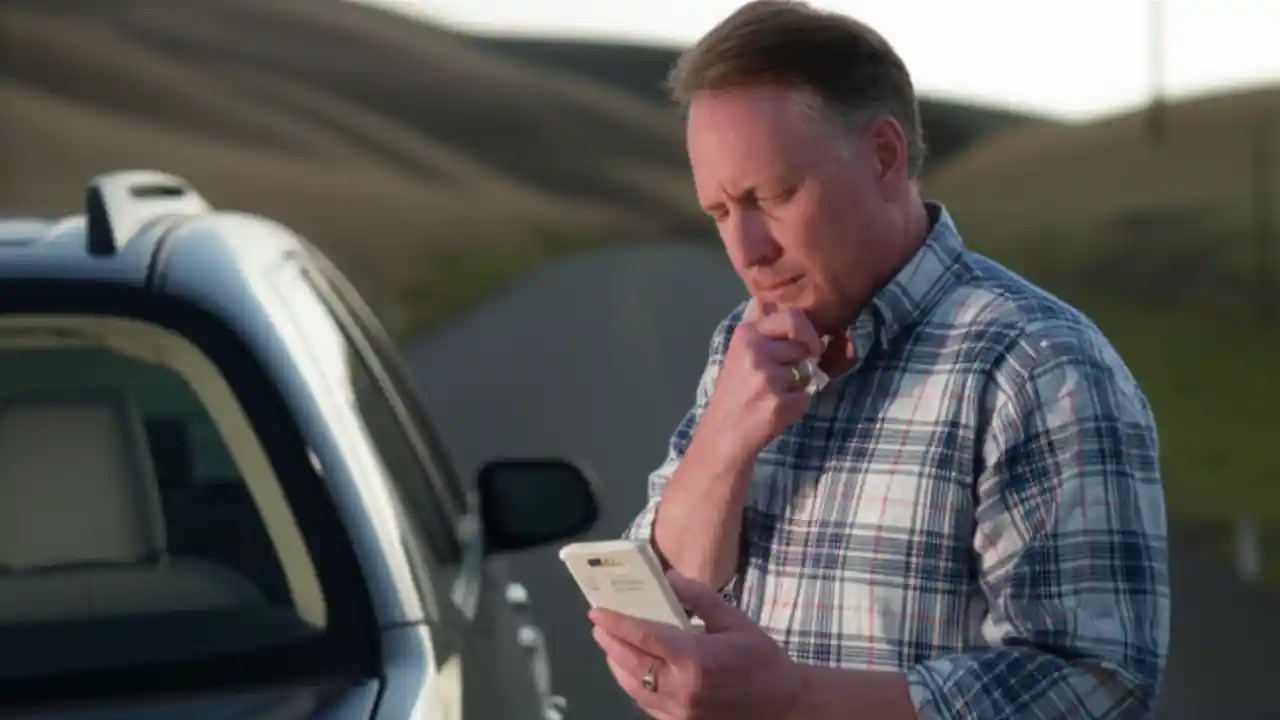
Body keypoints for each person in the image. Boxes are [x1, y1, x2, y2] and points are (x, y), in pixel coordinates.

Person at [587, 1, 1170, 718]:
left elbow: (1095, 687)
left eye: (772, 196)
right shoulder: (745, 343)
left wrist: (797, 700)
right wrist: (723, 441)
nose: (747, 251)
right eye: (720, 213)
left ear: (885, 156)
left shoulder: (1038, 367)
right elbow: (674, 596)